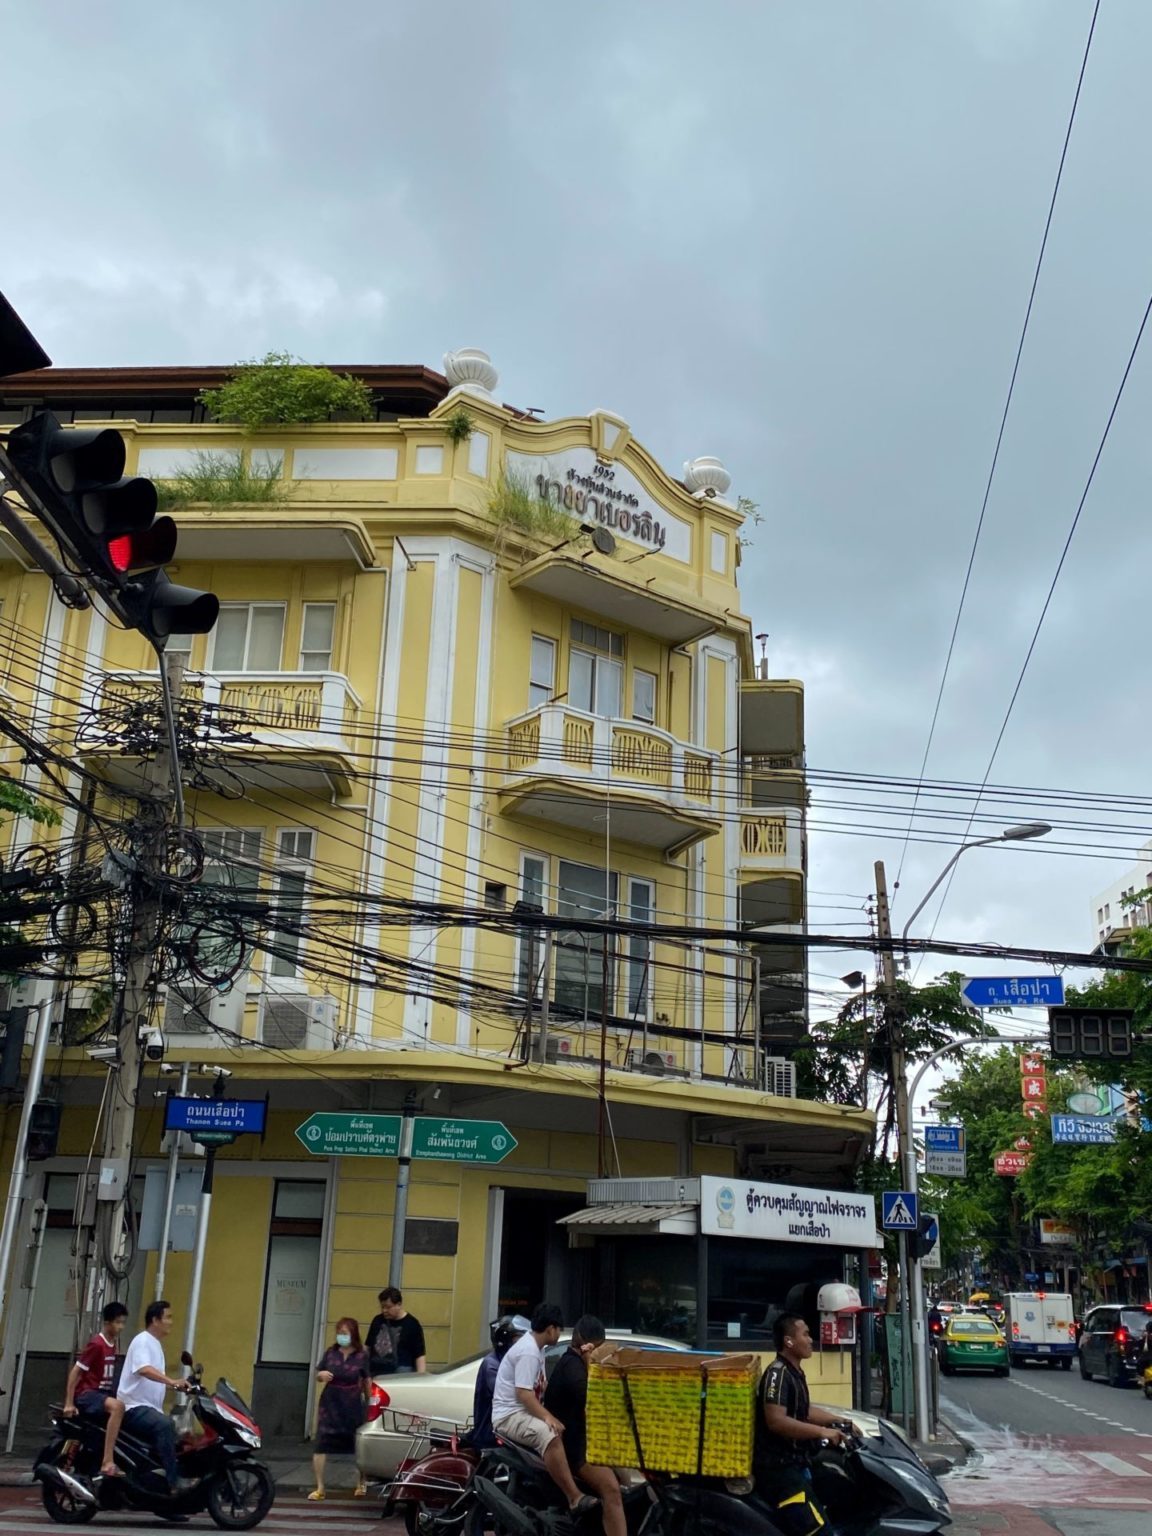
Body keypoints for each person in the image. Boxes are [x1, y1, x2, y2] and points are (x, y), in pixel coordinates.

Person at [491, 1302, 598, 1518]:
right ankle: (574, 1497)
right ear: (551, 1329)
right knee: (548, 1434)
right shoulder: (529, 1351)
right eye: (559, 1329)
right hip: (509, 1416)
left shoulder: (537, 1350)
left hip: (522, 1412)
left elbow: (542, 1387)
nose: (560, 1334)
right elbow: (524, 1394)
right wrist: (548, 1418)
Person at [753, 1312, 855, 1535]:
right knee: (819, 1532)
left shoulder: (794, 1372)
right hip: (778, 1470)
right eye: (806, 1334)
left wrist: (837, 1421)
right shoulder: (777, 1374)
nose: (810, 1340)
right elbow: (776, 1421)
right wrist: (821, 1432)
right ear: (789, 1341)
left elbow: (803, 1411)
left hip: (799, 1461)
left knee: (844, 1490)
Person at [543, 1314, 624, 1536]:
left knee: (628, 1480)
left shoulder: (576, 1363)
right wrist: (590, 1359)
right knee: (612, 1490)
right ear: (586, 1344)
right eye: (598, 1348)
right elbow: (593, 1398)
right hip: (574, 1446)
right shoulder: (572, 1366)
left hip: (590, 1441)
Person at [115, 1300, 189, 1495]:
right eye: (168, 1317)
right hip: (133, 1407)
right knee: (165, 1425)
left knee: (180, 1441)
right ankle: (174, 1482)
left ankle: (165, 1501)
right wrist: (172, 1382)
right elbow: (144, 1369)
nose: (171, 1322)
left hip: (148, 1408)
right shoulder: (143, 1340)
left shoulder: (155, 1344)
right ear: (155, 1320)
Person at [64, 1301, 129, 1478]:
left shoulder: (112, 1344)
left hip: (101, 1395)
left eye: (123, 1322)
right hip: (88, 1395)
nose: (121, 1327)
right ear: (107, 1323)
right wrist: (69, 1403)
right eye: (117, 1322)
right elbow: (76, 1372)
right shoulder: (97, 1344)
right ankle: (107, 1461)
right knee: (118, 1407)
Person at [311, 1318, 370, 1501]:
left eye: (345, 1333)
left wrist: (371, 1404)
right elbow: (319, 1373)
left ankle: (361, 1483)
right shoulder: (331, 1352)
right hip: (330, 1402)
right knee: (321, 1442)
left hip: (352, 1403)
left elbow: (367, 1380)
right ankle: (320, 1487)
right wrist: (320, 1376)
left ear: (353, 1334)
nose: (341, 1336)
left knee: (358, 1445)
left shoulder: (362, 1355)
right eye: (339, 1332)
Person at [463, 1315, 528, 1450]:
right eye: (518, 1340)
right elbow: (513, 1396)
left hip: (504, 1430)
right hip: (491, 1434)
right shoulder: (492, 1365)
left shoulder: (509, 1361)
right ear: (505, 1341)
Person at [369, 1287, 427, 1374]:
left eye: (388, 1307)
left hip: (400, 1374)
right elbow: (368, 1347)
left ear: (399, 1304)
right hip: (376, 1372)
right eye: (382, 1306)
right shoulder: (377, 1320)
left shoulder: (412, 1324)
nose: (384, 1310)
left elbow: (419, 1355)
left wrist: (420, 1378)